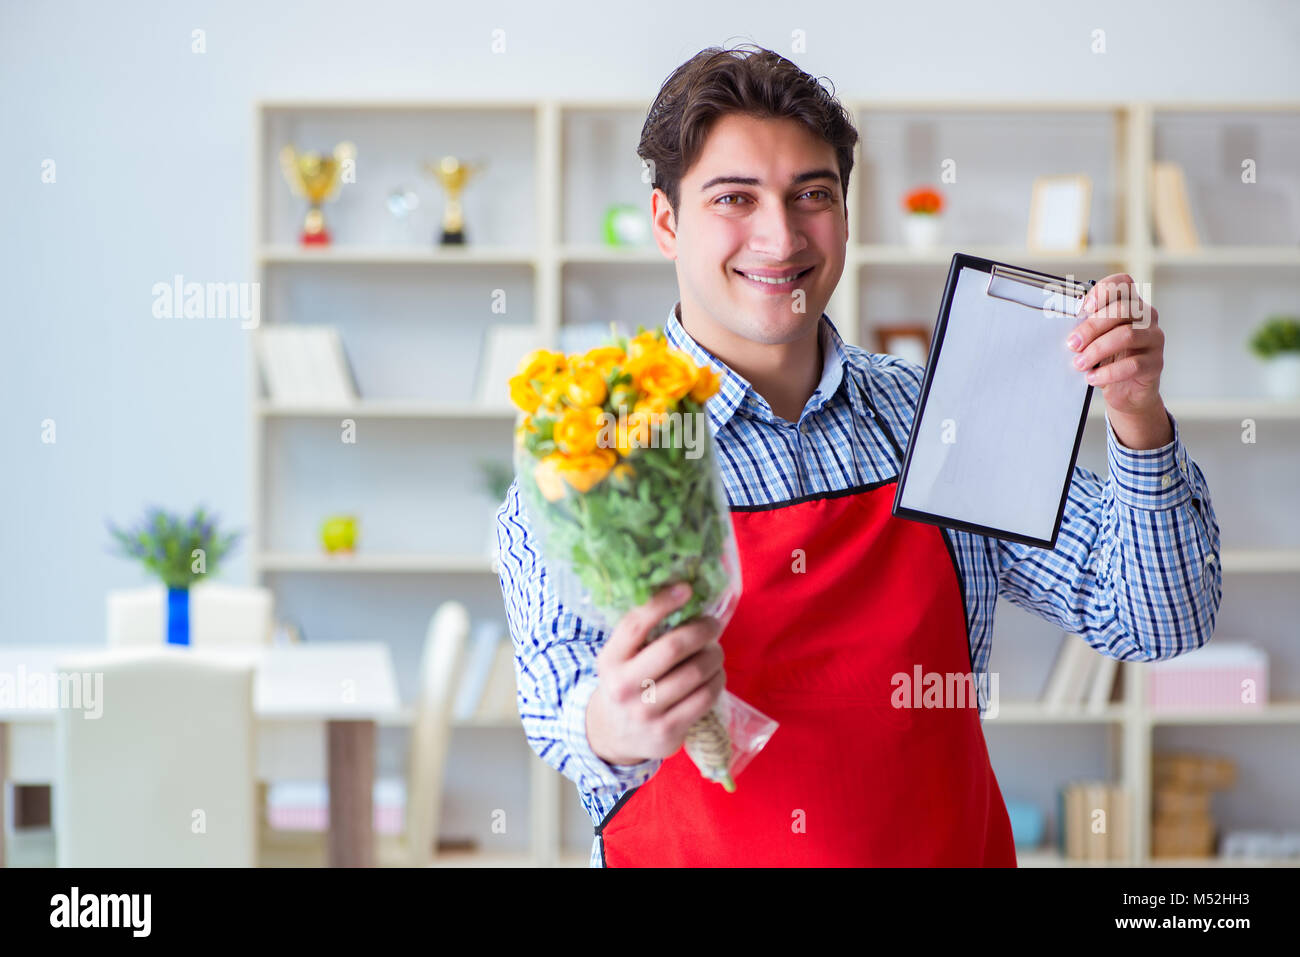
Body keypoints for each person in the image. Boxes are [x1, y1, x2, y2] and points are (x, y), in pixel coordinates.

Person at [495, 44, 1222, 867]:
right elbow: (557, 697)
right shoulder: (597, 447)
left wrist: (1135, 416)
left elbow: (1160, 618)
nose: (779, 235)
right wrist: (614, 722)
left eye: (812, 194)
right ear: (666, 220)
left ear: (844, 215)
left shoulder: (938, 417)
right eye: (735, 197)